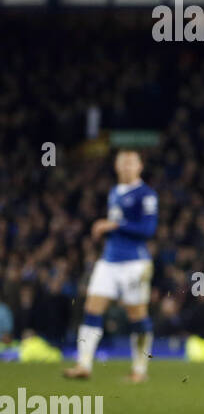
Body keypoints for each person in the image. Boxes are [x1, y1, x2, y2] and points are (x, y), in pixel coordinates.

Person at [65, 149, 157, 382]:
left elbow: (148, 230)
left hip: (135, 263)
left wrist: (114, 226)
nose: (127, 167)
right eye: (123, 163)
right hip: (108, 261)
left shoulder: (146, 195)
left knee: (137, 316)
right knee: (92, 309)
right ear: (117, 167)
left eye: (131, 163)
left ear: (140, 167)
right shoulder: (115, 191)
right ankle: (83, 365)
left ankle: (140, 371)